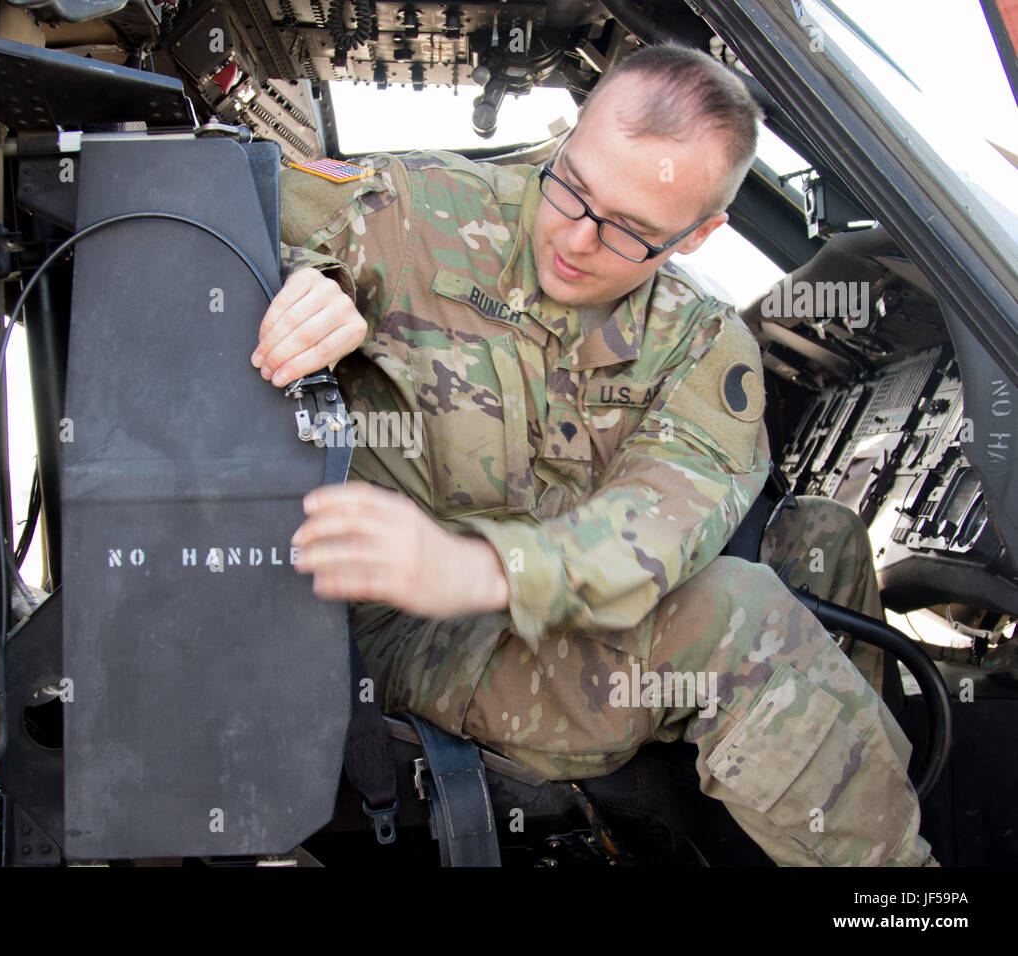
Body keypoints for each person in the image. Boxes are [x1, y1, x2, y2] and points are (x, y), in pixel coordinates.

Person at [254, 43, 935, 866]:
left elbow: (653, 531)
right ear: (569, 138)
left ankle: (831, 832)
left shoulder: (699, 343)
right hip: (409, 633)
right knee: (732, 614)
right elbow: (213, 216)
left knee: (821, 539)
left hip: (537, 605)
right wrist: (308, 278)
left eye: (627, 232)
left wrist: (479, 568)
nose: (575, 239)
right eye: (572, 185)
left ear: (698, 235)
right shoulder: (413, 213)